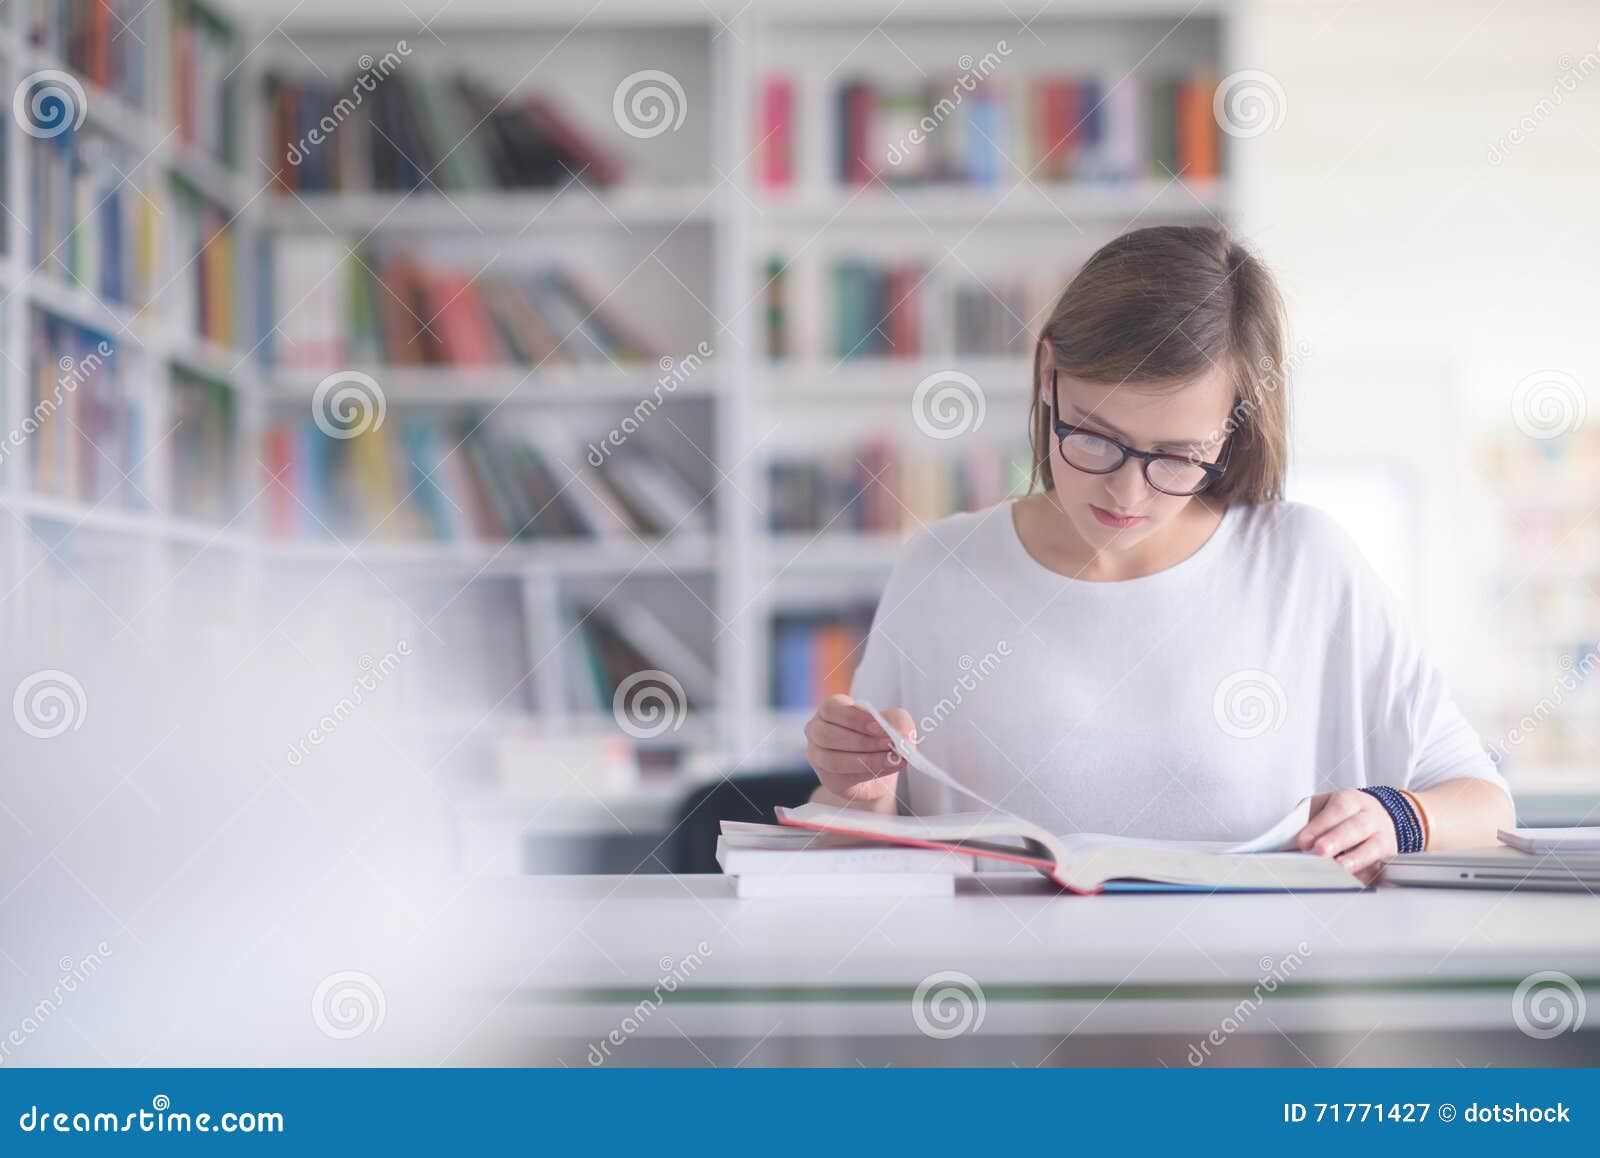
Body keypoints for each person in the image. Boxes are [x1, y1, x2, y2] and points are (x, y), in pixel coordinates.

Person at [803, 225, 1512, 884]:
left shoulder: (1303, 565)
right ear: (1048, 374)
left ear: (1231, 433)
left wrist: (1400, 818)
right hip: (997, 1003)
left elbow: (1487, 805)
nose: (1125, 490)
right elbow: (857, 863)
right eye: (1095, 436)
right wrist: (857, 796)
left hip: (1255, 1004)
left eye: (1177, 456)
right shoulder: (941, 568)